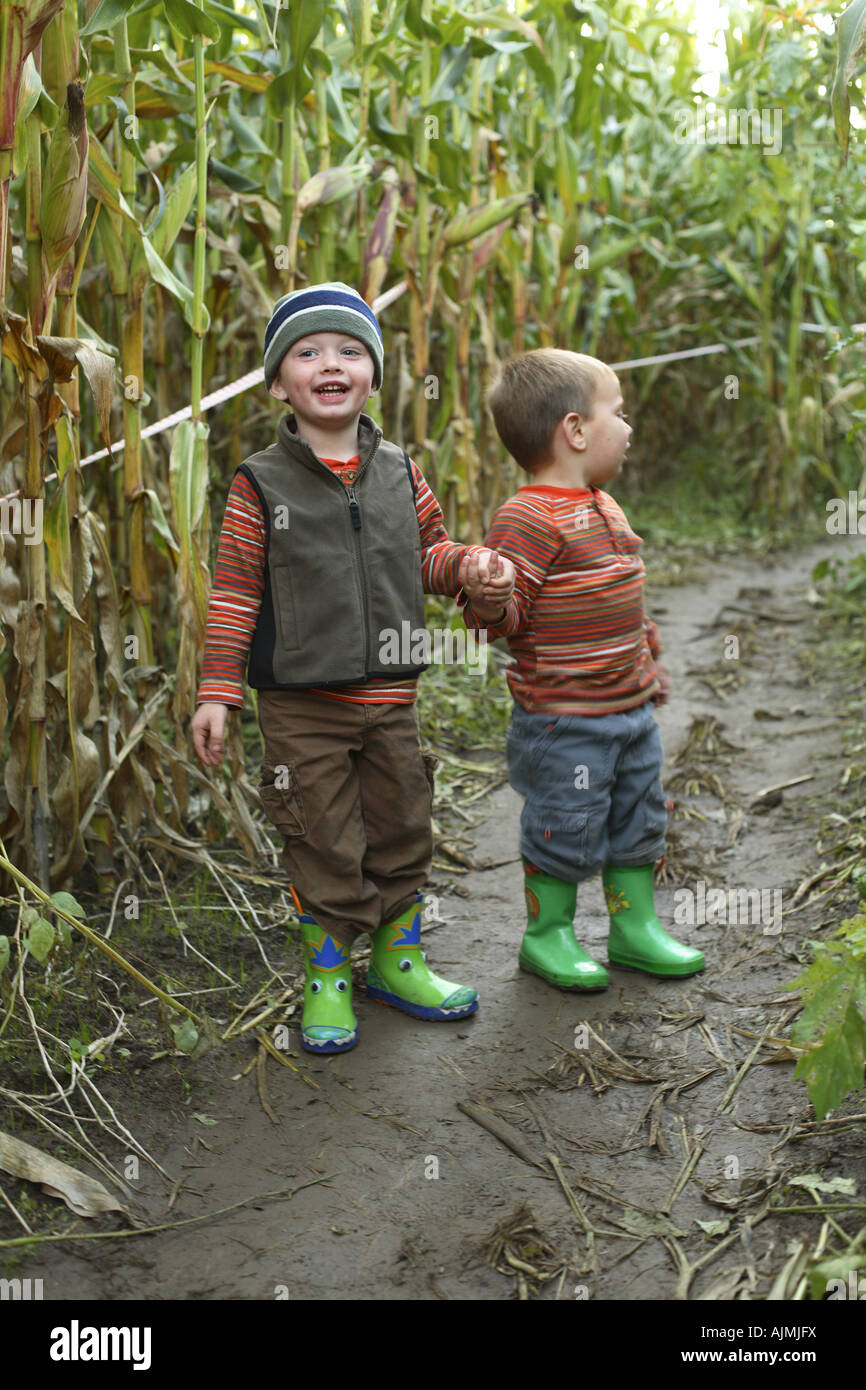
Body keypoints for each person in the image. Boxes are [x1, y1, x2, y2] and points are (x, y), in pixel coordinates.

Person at [190, 282, 515, 1051]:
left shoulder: (400, 470)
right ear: (279, 382)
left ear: (373, 372)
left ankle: (397, 960)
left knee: (403, 824)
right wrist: (217, 692)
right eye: (307, 353)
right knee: (323, 837)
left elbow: (426, 555)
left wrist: (471, 565)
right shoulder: (260, 482)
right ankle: (327, 975)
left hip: (391, 695)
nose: (329, 363)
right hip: (302, 706)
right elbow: (236, 591)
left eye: (348, 350)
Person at [479, 347, 705, 990]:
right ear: (575, 431)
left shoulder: (606, 505)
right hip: (563, 722)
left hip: (628, 712)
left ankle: (634, 930)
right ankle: (547, 933)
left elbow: (620, 595)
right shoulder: (527, 517)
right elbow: (503, 619)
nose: (628, 428)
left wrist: (646, 659)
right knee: (564, 823)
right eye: (618, 412)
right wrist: (491, 596)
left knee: (639, 816)